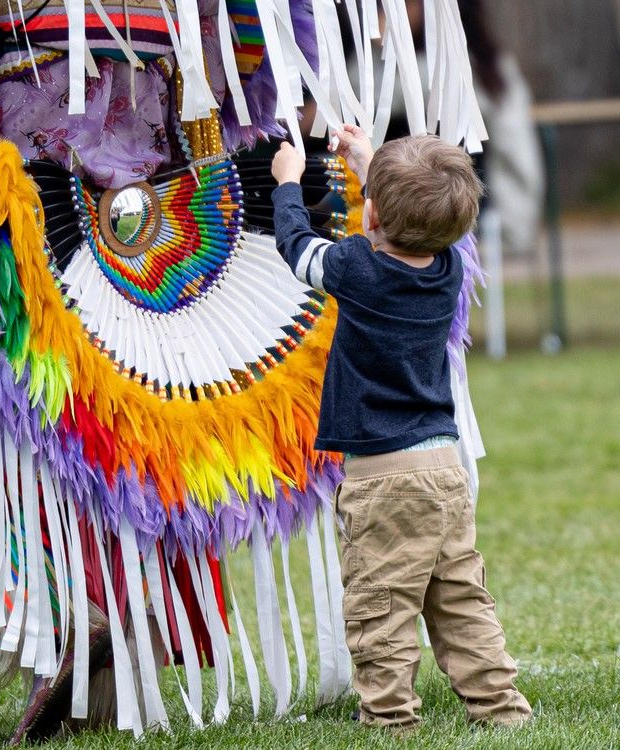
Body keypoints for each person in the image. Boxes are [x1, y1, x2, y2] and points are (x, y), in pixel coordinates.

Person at [270, 126, 532, 730]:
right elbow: (412, 222)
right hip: (443, 468)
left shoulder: (358, 269)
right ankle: (500, 708)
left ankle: (390, 718)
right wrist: (370, 168)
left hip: (382, 477)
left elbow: (298, 247)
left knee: (380, 604)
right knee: (460, 597)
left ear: (371, 214)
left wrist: (287, 184)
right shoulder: (446, 271)